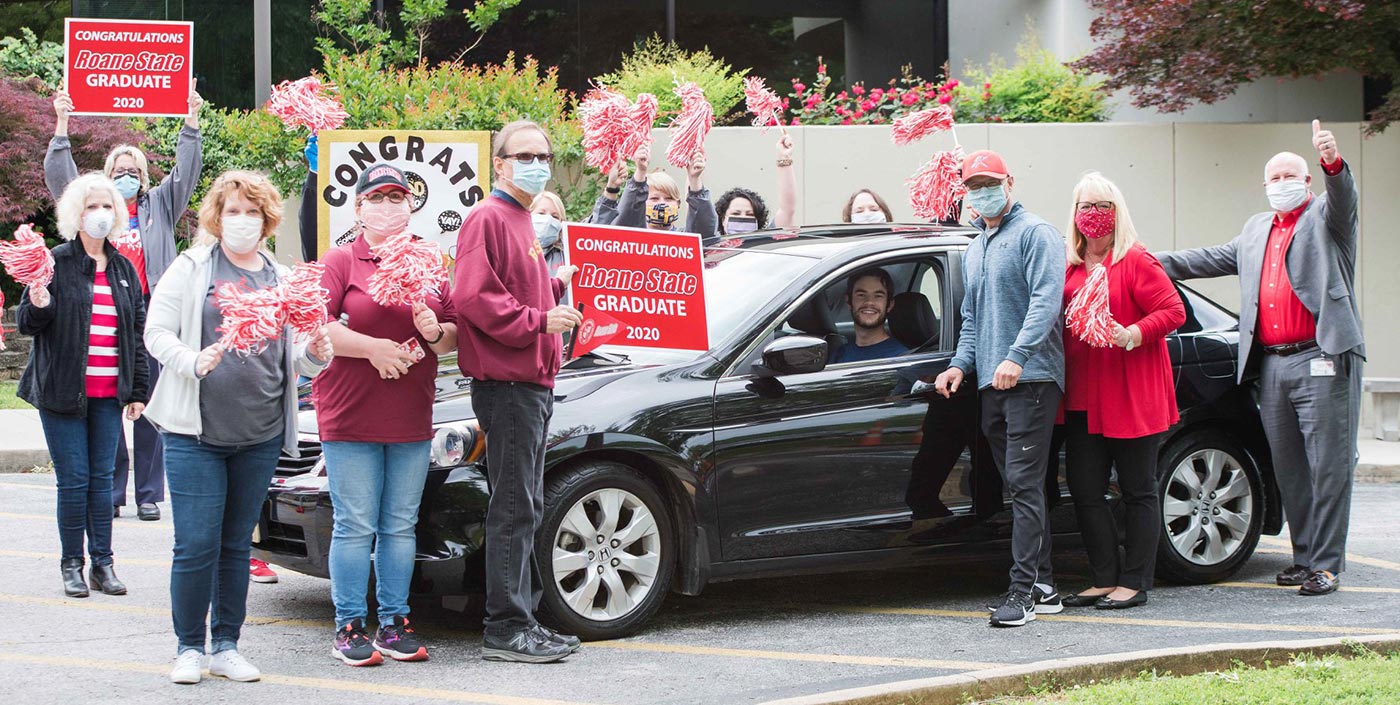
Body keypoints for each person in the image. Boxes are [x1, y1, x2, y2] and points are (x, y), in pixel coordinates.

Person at [1156, 121, 1362, 597]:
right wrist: (1140, 258)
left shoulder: (1326, 219)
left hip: (1322, 357)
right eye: (1275, 178)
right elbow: (1204, 259)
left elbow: (1344, 199)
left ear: (1307, 182)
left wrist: (1332, 161)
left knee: (1327, 465)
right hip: (1272, 364)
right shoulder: (1256, 229)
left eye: (1292, 176)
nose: (1283, 184)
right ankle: (1304, 558)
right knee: (1289, 467)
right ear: (1265, 186)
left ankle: (1327, 565)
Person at [144, 170, 334, 684]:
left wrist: (315, 355)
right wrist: (190, 359)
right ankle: (188, 647)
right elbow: (155, 331)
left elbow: (293, 355)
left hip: (262, 432)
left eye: (253, 212)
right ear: (217, 217)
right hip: (196, 434)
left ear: (268, 219)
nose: (243, 221)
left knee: (235, 546)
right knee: (195, 544)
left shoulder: (280, 275)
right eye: (233, 211)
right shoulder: (193, 267)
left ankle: (227, 644)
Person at [316, 163, 459, 667]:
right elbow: (317, 329)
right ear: (358, 208)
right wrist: (373, 348)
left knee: (400, 524)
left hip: (410, 415)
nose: (388, 207)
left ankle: (394, 623)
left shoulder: (429, 261)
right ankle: (349, 625)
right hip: (351, 412)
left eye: (397, 198)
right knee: (355, 525)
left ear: (411, 205)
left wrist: (434, 329)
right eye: (376, 198)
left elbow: (453, 335)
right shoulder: (341, 260)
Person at [453, 120, 583, 663]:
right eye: (524, 154)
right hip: (508, 384)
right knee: (513, 504)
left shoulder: (523, 221)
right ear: (499, 163)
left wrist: (555, 285)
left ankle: (522, 617)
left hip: (529, 383)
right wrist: (539, 318)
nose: (537, 162)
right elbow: (473, 298)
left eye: (544, 154)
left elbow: (512, 290)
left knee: (525, 501)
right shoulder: (489, 217)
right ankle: (506, 626)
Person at [47, 88, 205, 522]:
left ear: (144, 175)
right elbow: (62, 181)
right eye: (119, 170)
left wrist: (191, 121)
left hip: (152, 318)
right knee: (108, 404)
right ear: (107, 175)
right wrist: (61, 125)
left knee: (151, 404)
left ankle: (149, 493)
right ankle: (113, 490)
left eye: (133, 170)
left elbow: (187, 172)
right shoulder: (100, 212)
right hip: (106, 315)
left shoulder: (160, 206)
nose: (127, 176)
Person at [933, 149, 1066, 628]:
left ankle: (1023, 593)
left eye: (990, 182)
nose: (982, 192)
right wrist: (959, 367)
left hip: (1029, 380)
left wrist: (1018, 355)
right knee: (1019, 487)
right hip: (990, 381)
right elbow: (972, 319)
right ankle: (1046, 585)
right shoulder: (976, 246)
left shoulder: (1037, 234)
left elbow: (1046, 301)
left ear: (1011, 181)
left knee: (1026, 485)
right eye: (973, 186)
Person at [17, 173, 149, 598]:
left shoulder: (125, 270)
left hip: (109, 396)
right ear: (77, 213)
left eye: (107, 206)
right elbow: (27, 323)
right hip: (61, 393)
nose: (100, 214)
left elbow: (136, 335)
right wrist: (40, 301)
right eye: (92, 206)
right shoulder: (56, 261)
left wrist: (138, 391)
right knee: (73, 480)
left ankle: (103, 564)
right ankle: (71, 563)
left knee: (102, 480)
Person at [1059, 173, 1185, 610]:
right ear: (1074, 214)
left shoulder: (1135, 261)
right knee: (1087, 490)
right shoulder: (1070, 267)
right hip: (1082, 398)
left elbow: (1173, 311)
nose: (1093, 215)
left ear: (1117, 212)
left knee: (1137, 490)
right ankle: (1103, 577)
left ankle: (1135, 581)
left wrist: (1131, 333)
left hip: (1130, 395)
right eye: (1085, 206)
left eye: (1102, 206)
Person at [614, 142, 718, 244]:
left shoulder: (686, 239)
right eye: (654, 199)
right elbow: (622, 223)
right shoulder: (633, 241)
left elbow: (705, 233)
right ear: (642, 203)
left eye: (669, 198)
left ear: (678, 204)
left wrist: (694, 180)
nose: (662, 203)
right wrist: (640, 171)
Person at [714, 134, 799, 236]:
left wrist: (784, 157)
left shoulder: (766, 242)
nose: (743, 219)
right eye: (735, 214)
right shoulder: (712, 248)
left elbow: (787, 209)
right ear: (723, 219)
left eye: (750, 215)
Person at [833, 268, 909, 363]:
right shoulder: (839, 354)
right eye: (861, 295)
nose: (869, 302)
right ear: (849, 301)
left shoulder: (901, 359)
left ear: (889, 305)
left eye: (878, 296)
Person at [530, 190, 567, 277]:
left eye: (555, 216)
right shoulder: (514, 249)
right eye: (541, 213)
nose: (548, 220)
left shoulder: (567, 255)